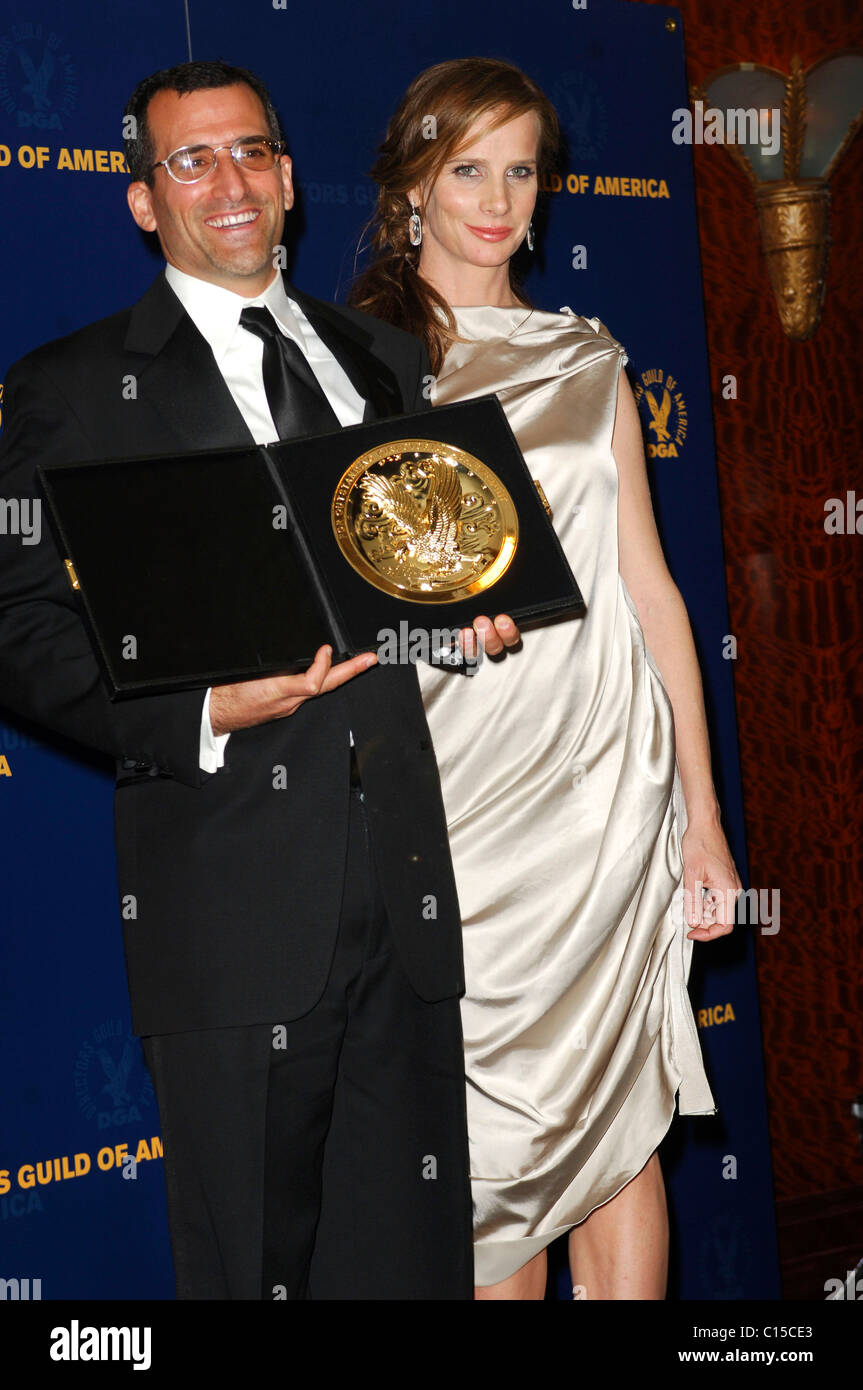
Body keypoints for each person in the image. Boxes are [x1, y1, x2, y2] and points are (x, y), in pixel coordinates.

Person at [0, 59, 516, 1300]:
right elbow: (16, 622)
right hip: (227, 907)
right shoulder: (66, 388)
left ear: (286, 180)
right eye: (189, 160)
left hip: (402, 895)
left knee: (405, 1266)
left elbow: (397, 576)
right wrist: (198, 713)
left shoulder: (382, 358)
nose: (226, 182)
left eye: (249, 154)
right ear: (142, 200)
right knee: (250, 1274)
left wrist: (458, 621)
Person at [349, 56, 743, 1301]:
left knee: (622, 1134)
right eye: (468, 168)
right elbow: (342, 626)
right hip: (458, 806)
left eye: (520, 170)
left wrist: (703, 819)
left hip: (605, 793)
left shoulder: (587, 358)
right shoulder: (354, 368)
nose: (496, 197)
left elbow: (651, 590)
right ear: (413, 181)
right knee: (494, 1159)